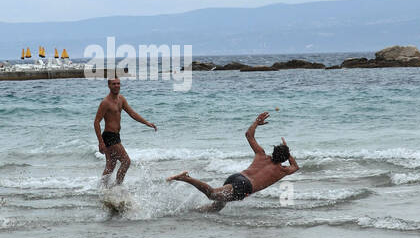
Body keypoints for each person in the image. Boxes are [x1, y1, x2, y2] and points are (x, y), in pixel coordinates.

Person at [168, 111, 298, 211]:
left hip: (237, 177)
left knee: (217, 206)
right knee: (213, 194)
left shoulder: (261, 155)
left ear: (274, 151)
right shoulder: (282, 170)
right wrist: (287, 151)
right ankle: (186, 178)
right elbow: (295, 167)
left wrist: (256, 122)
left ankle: (192, 213)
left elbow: (249, 135)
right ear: (286, 158)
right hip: (244, 187)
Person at [93, 77, 156, 184]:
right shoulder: (105, 102)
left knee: (110, 165)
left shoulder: (121, 99)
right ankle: (118, 186)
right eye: (114, 84)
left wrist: (147, 123)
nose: (117, 86)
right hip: (109, 136)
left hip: (116, 135)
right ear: (109, 86)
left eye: (118, 83)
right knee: (126, 161)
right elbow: (96, 122)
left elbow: (132, 113)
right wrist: (100, 142)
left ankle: (103, 188)